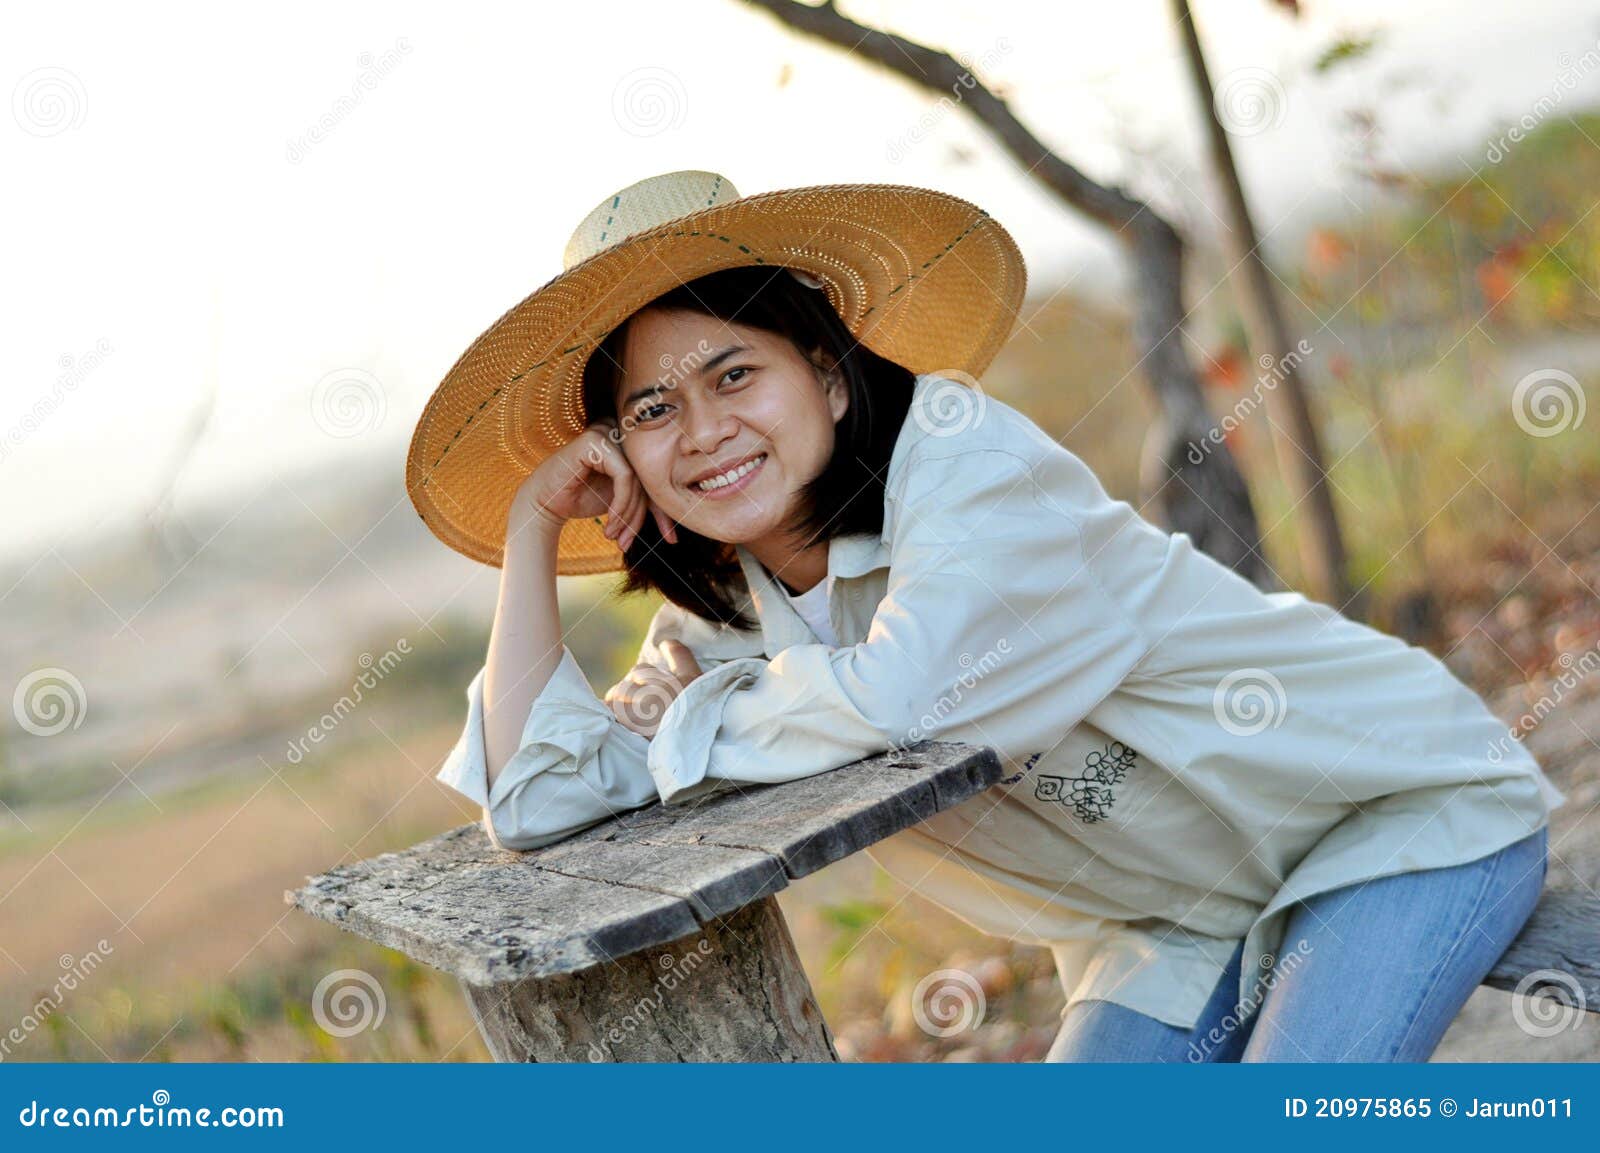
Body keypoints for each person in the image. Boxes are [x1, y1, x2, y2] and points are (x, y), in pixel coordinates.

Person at [408, 170, 1565, 1062]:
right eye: (651, 408)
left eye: (732, 374)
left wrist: (696, 729)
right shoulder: (720, 632)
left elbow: (911, 696)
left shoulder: (968, 466)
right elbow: (538, 800)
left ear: (826, 370)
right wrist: (525, 536)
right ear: (622, 455)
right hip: (1172, 922)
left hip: (1384, 811)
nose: (702, 430)